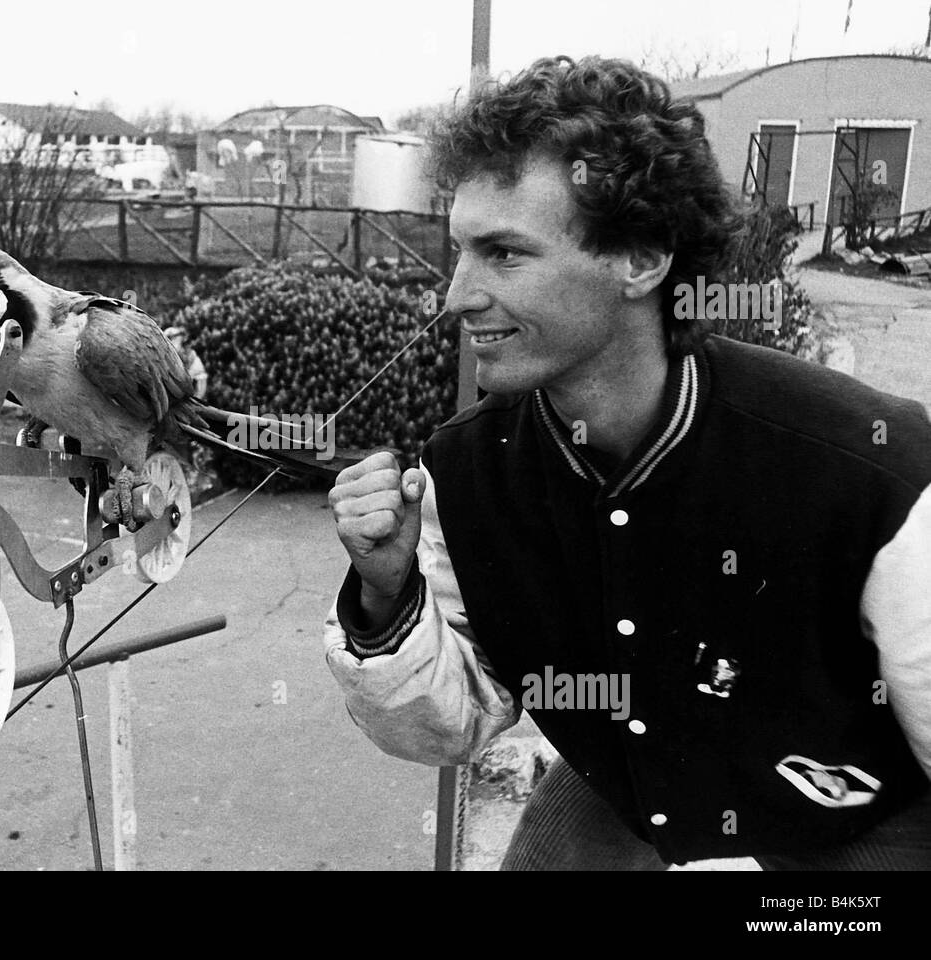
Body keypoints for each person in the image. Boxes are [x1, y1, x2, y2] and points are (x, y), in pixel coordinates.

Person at [322, 55, 931, 870]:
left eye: (505, 254)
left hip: (855, 832)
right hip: (622, 801)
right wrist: (385, 593)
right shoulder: (464, 474)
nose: (455, 294)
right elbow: (448, 723)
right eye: (459, 248)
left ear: (641, 261)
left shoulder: (868, 468)